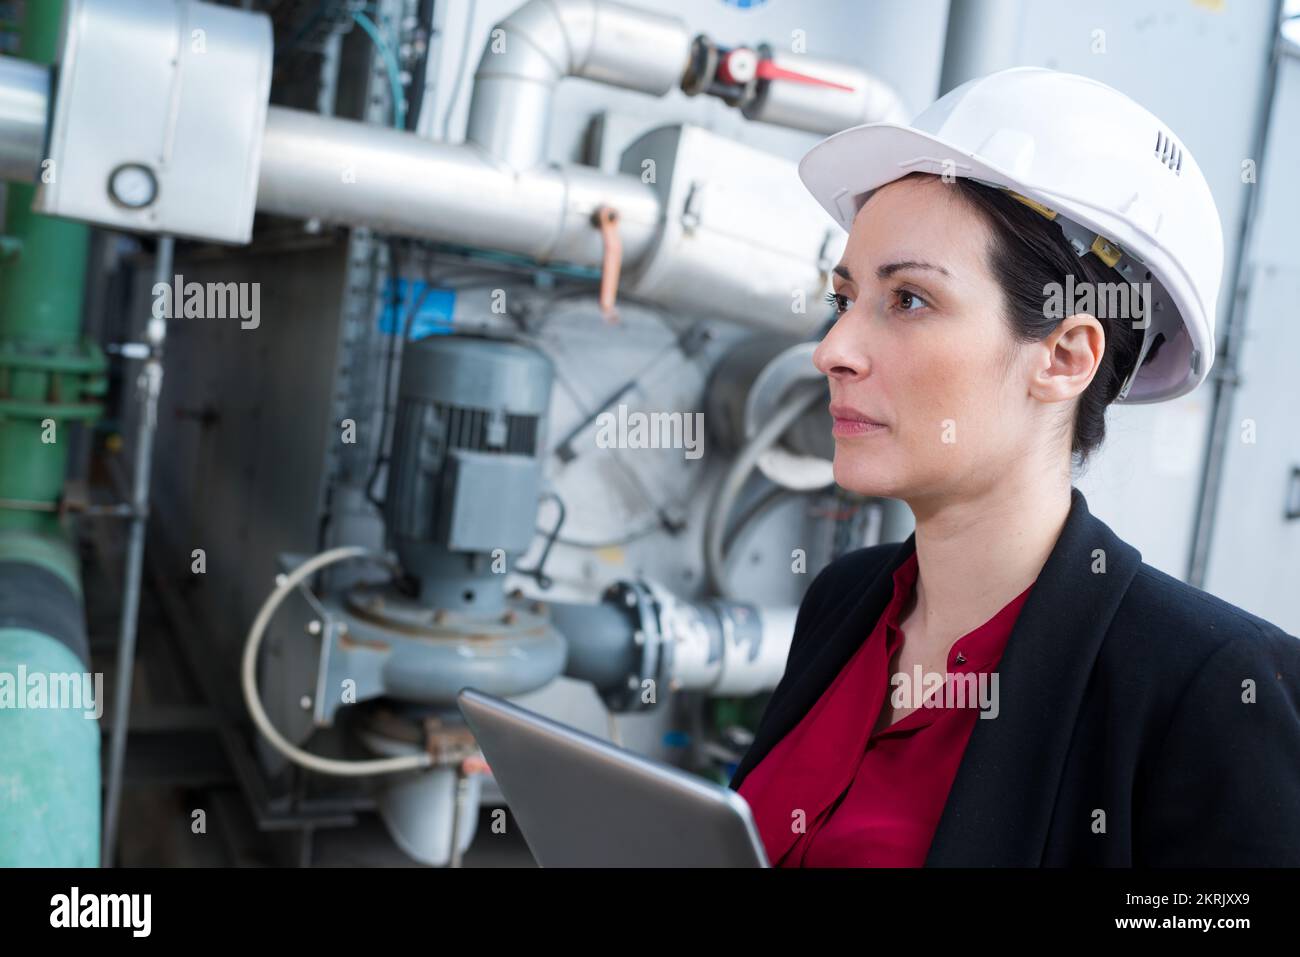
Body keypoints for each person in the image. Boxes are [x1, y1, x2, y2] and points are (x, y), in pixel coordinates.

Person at [727, 67, 1300, 867]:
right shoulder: (844, 602)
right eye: (844, 297)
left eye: (909, 301)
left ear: (1064, 357)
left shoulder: (1206, 685)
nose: (833, 350)